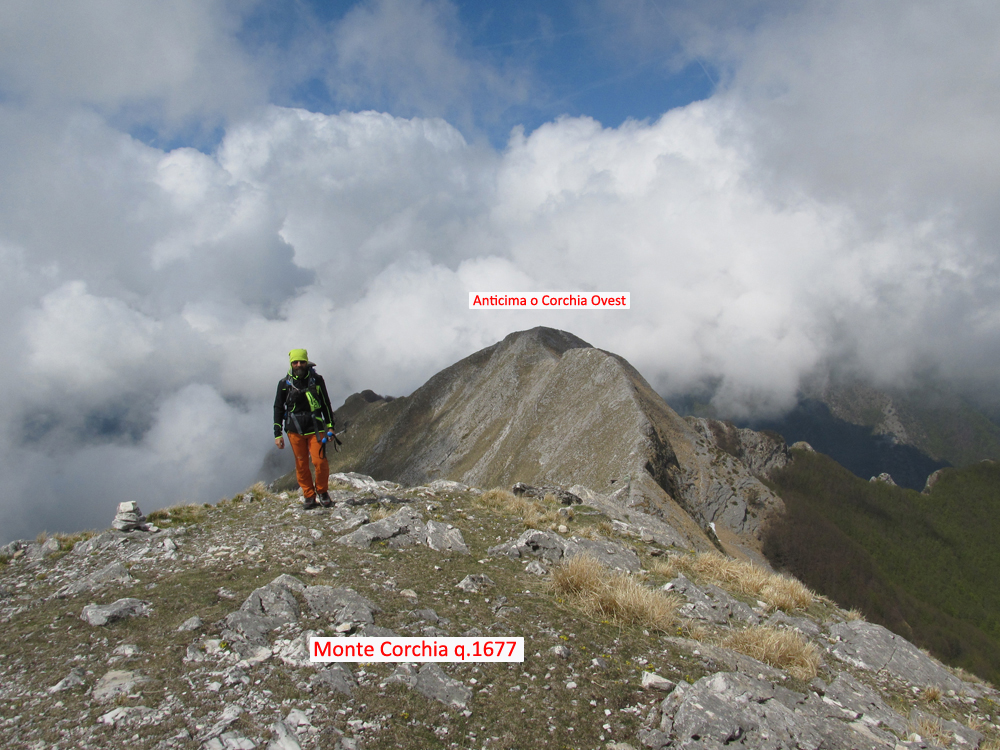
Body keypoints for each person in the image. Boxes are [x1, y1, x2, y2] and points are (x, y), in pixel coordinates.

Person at [274, 349, 337, 509]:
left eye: (301, 362)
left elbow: (325, 404)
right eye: (295, 362)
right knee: (301, 464)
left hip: (315, 428)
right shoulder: (284, 384)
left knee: (320, 461)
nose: (298, 365)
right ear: (291, 364)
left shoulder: (316, 380)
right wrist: (277, 433)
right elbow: (278, 408)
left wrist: (330, 426)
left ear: (306, 362)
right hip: (294, 430)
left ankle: (322, 492)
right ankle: (309, 495)